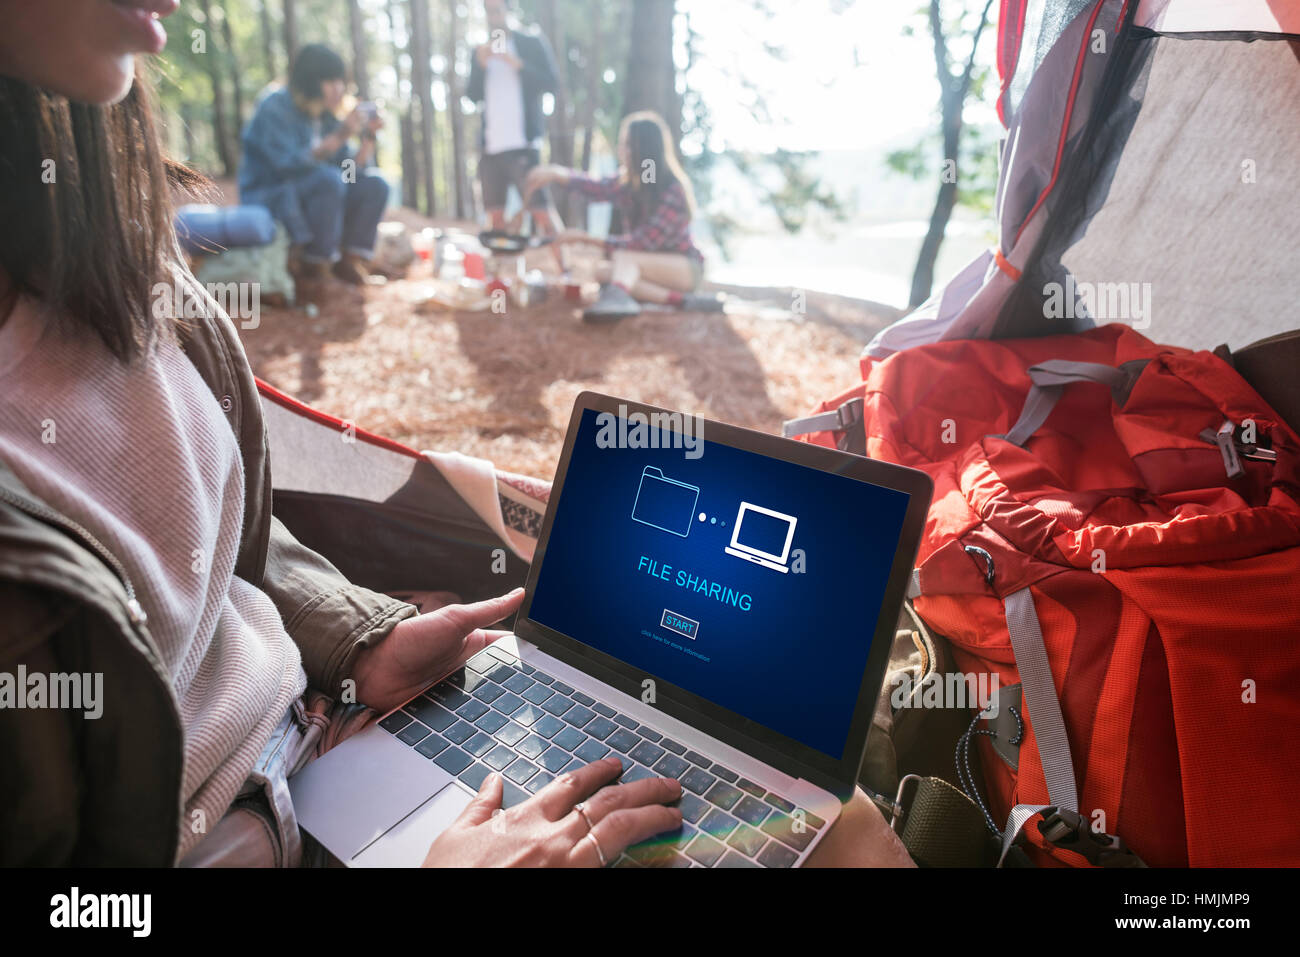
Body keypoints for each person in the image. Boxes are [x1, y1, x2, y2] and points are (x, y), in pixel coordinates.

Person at [0, 0, 912, 869]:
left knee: (830, 810)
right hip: (276, 830)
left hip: (331, 732)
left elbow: (213, 547)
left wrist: (360, 646)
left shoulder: (119, 266)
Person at [522, 111, 722, 321]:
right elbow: (596, 187)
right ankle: (681, 301)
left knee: (623, 259)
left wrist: (584, 238)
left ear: (643, 150)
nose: (621, 150)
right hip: (644, 267)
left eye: (627, 145)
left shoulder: (672, 191)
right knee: (603, 272)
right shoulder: (630, 184)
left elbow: (640, 243)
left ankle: (617, 299)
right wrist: (556, 173)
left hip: (685, 268)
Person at [239, 44, 389, 287]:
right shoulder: (275, 107)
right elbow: (286, 166)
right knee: (327, 180)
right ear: (308, 82)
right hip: (273, 196)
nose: (338, 89)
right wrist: (341, 135)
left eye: (341, 81)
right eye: (329, 81)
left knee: (375, 184)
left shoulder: (326, 116)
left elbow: (349, 172)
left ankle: (348, 262)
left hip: (317, 192)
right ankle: (316, 267)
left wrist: (368, 138)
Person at [466, 0, 560, 236]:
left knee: (541, 212)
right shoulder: (480, 50)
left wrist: (515, 62)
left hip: (523, 145)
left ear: (509, 10)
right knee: (495, 219)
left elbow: (551, 83)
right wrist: (480, 65)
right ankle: (501, 271)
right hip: (491, 147)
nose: (493, 16)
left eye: (498, 9)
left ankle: (565, 270)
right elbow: (471, 96)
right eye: (489, 11)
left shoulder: (530, 43)